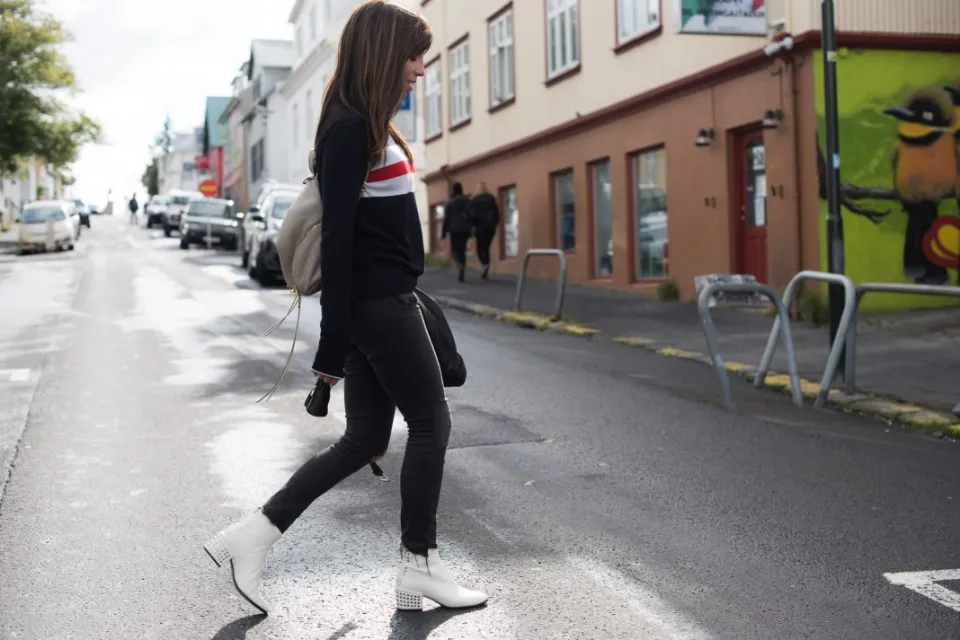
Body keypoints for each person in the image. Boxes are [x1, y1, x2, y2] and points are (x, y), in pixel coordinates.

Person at [202, 0, 488, 616]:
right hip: (378, 306)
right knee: (433, 424)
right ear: (387, 52)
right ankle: (421, 567)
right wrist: (331, 351)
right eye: (414, 56)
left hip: (376, 303)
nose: (420, 69)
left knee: (363, 439)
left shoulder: (366, 125)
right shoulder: (351, 128)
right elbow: (338, 242)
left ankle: (252, 536)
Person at [441, 182, 472, 281]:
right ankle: (462, 264)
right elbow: (471, 215)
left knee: (455, 250)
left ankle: (459, 264)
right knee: (462, 249)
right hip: (465, 228)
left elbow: (446, 218)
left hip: (454, 229)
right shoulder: (466, 201)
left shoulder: (450, 203)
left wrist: (443, 233)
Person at [469, 182, 500, 280]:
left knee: (479, 248)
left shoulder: (474, 200)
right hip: (490, 227)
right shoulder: (491, 199)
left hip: (479, 227)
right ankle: (486, 264)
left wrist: (472, 225)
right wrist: (495, 224)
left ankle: (484, 264)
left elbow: (472, 215)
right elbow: (497, 214)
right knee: (486, 247)